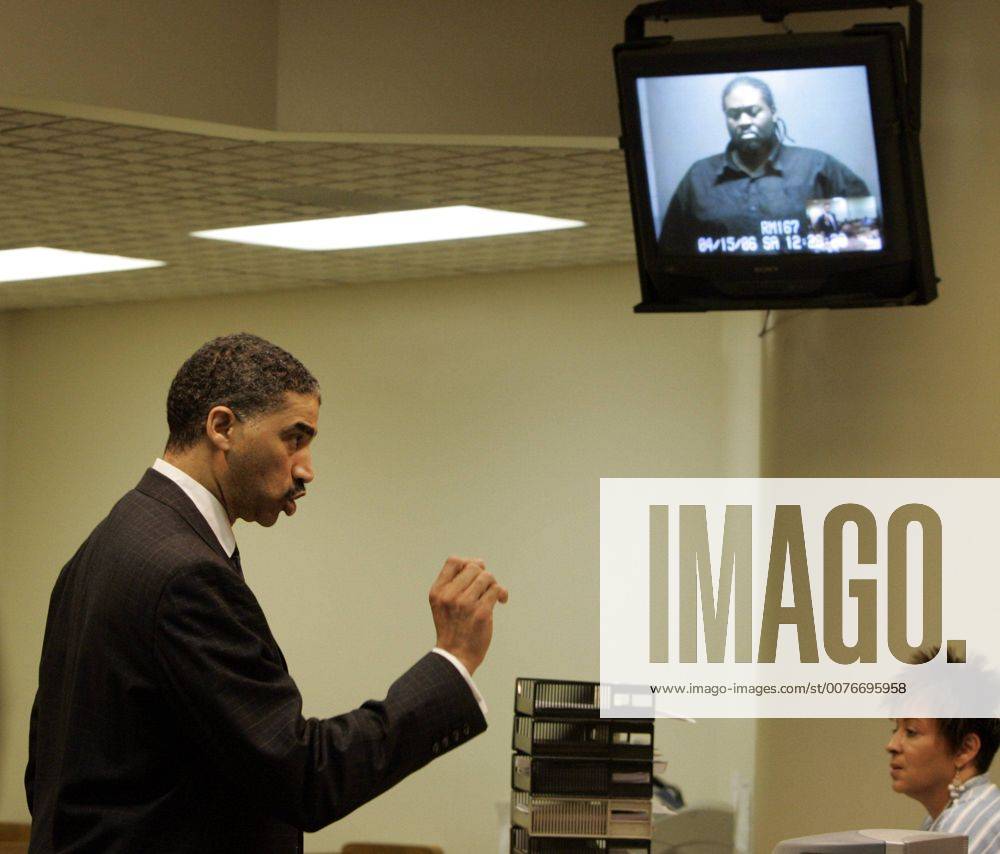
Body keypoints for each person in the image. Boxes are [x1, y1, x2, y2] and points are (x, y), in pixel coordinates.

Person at [25, 333, 508, 854]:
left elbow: (49, 771)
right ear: (222, 427)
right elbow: (304, 776)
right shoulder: (186, 574)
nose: (306, 469)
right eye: (293, 438)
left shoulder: (104, 546)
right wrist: (452, 661)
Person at [658, 75, 871, 254]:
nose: (743, 122)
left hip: (807, 286)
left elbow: (863, 243)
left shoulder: (817, 167)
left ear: (773, 112)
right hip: (723, 290)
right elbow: (672, 252)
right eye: (734, 115)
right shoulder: (698, 176)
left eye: (753, 111)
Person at [886, 717, 1000, 854]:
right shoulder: (951, 815)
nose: (891, 745)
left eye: (911, 731)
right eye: (895, 729)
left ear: (964, 749)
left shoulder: (967, 824)